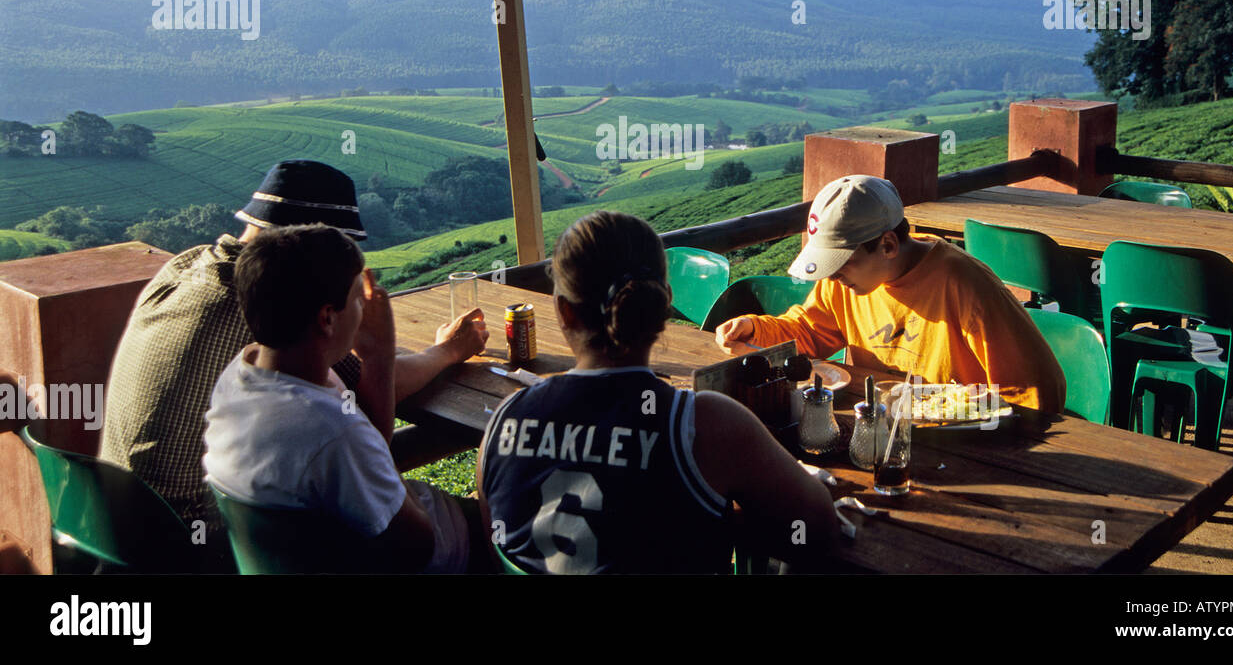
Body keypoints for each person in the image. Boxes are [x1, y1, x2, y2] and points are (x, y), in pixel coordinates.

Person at [100, 160, 487, 569]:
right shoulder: (272, 316)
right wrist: (448, 350)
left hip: (118, 516)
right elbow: (374, 398)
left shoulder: (186, 269)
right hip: (190, 541)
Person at [478, 210, 837, 574]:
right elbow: (819, 526)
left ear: (564, 312)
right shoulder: (705, 424)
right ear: (665, 301)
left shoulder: (505, 420)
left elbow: (495, 542)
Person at [204, 224, 483, 572]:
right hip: (445, 551)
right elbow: (419, 547)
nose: (365, 309)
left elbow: (367, 445)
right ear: (327, 318)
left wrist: (378, 357)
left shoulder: (242, 375)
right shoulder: (329, 430)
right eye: (357, 299)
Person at [715, 175, 1066, 413]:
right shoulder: (844, 283)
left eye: (840, 264)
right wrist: (755, 329)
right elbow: (809, 332)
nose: (833, 277)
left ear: (887, 244)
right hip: (882, 426)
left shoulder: (966, 285)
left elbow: (1036, 393)